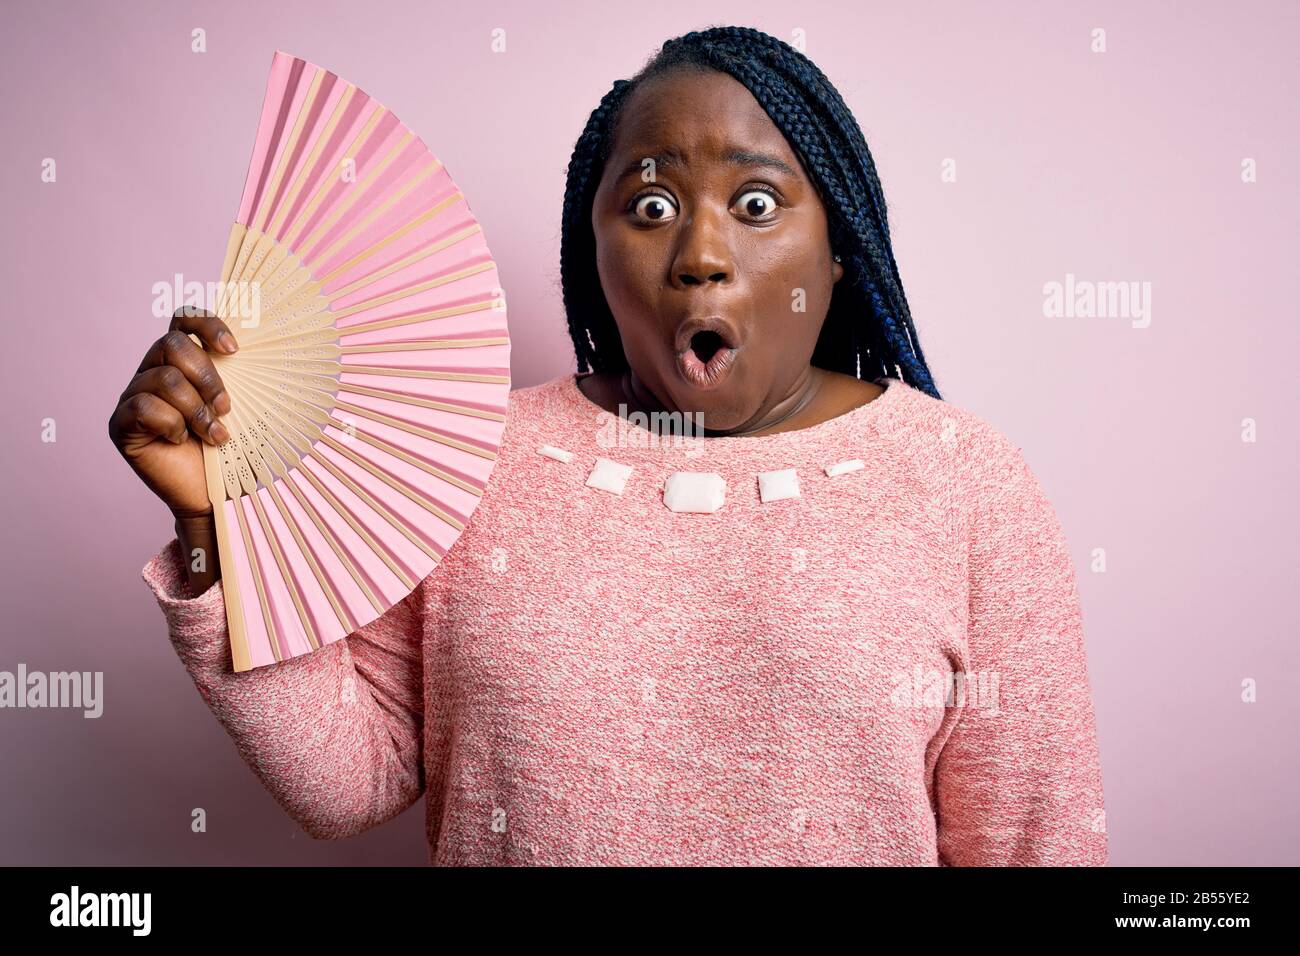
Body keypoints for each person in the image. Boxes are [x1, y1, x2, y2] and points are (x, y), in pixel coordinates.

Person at [108, 26, 1108, 866]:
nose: (702, 254)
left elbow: (1035, 844)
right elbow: (350, 777)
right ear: (593, 253)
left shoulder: (965, 483)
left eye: (756, 204)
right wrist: (212, 524)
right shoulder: (474, 457)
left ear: (837, 246)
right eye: (650, 206)